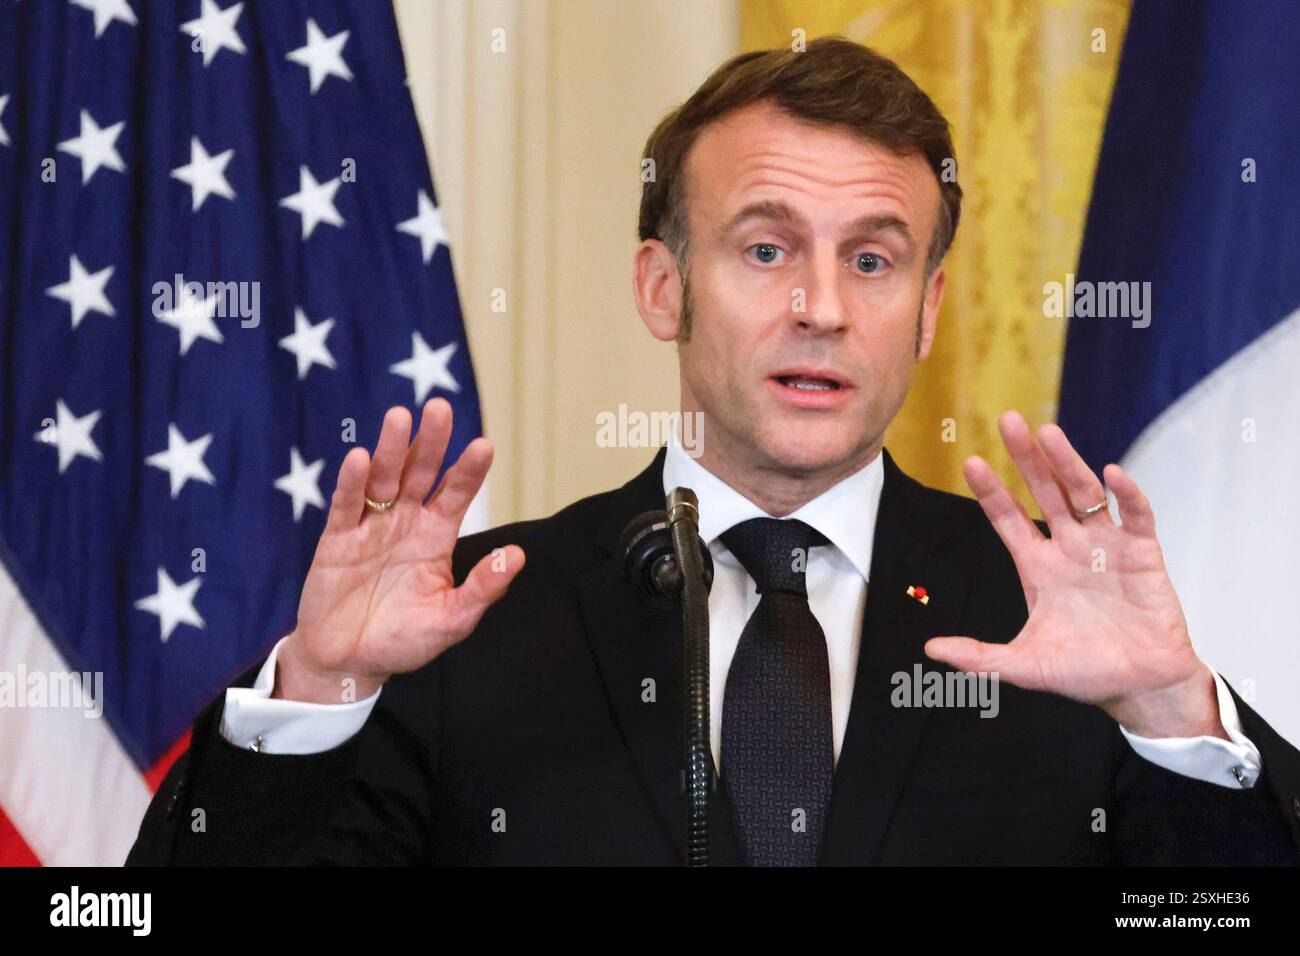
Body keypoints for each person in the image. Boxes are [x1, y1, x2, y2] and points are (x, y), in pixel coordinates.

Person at [128, 36, 1300, 866]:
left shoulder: (1054, 630)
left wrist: (1169, 715)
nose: (822, 307)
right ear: (661, 284)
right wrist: (321, 694)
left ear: (931, 310)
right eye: (764, 248)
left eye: (874, 260)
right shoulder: (462, 619)